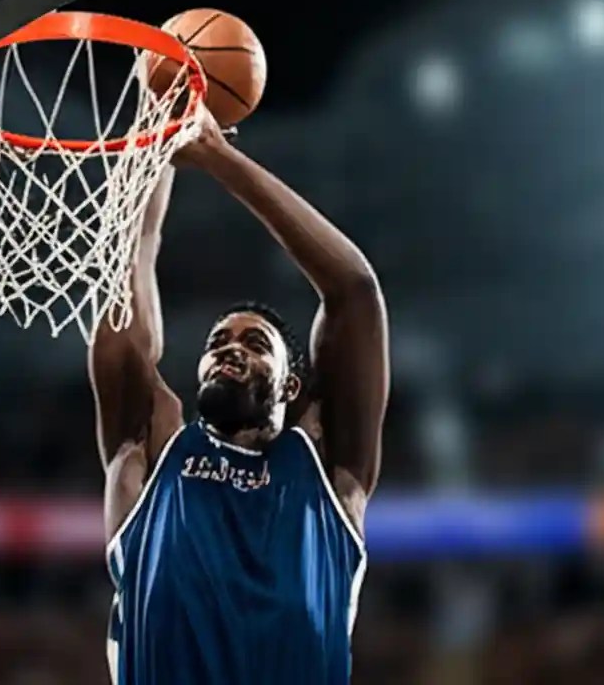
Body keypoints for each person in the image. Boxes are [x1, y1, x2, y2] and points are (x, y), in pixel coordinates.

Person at [91, 106, 389, 685]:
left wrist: (219, 159)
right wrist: (155, 134)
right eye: (217, 340)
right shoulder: (148, 449)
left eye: (254, 342)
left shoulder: (326, 468)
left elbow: (353, 291)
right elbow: (134, 262)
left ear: (292, 386)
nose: (228, 349)